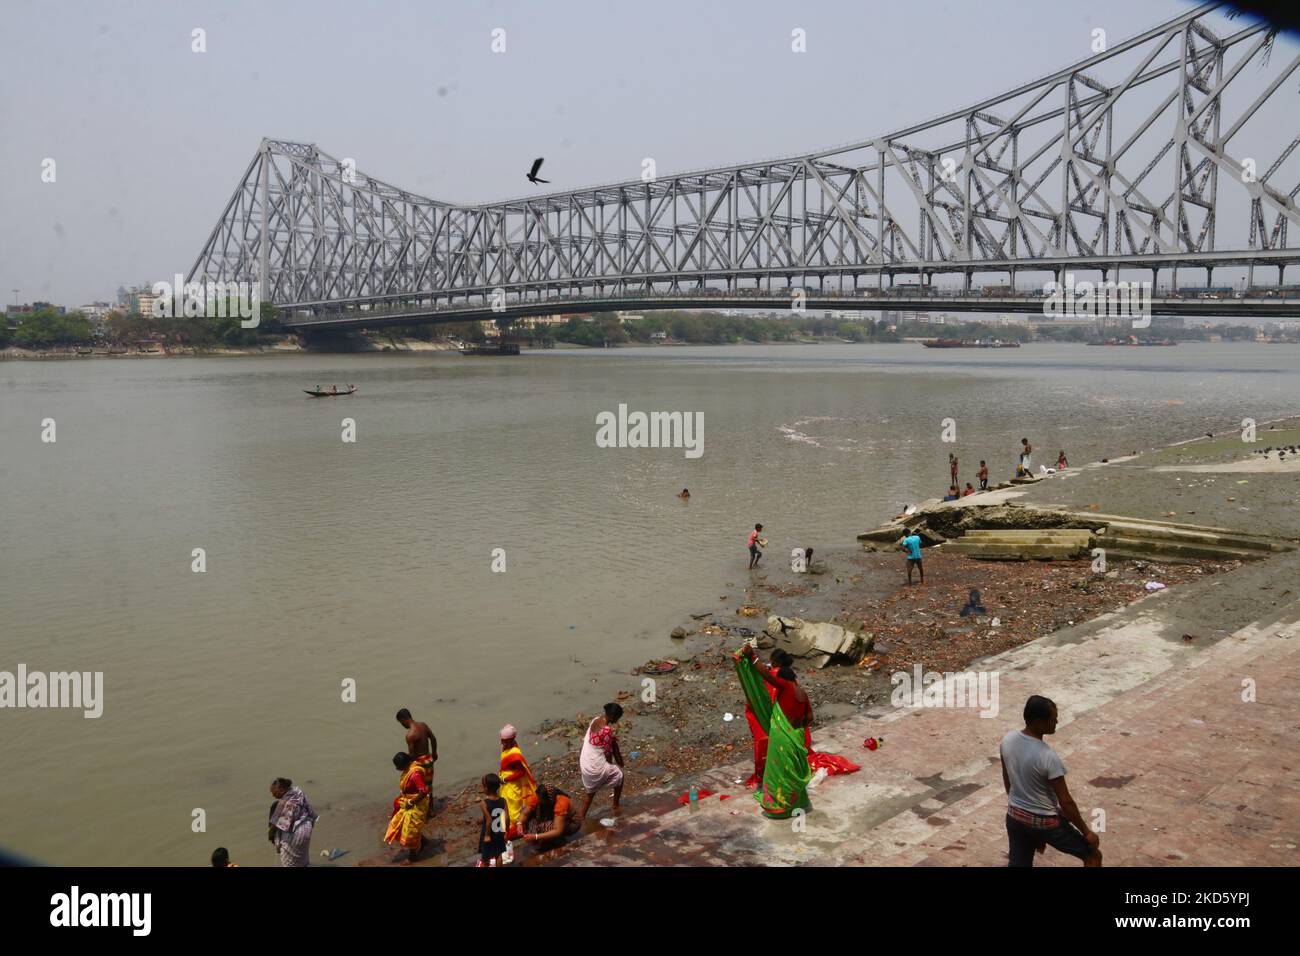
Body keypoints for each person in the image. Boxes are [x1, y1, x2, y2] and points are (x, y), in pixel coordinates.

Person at [1000, 695, 1102, 868]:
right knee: (1092, 856)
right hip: (1045, 823)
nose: (1056, 722)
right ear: (1039, 722)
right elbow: (1066, 802)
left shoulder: (1007, 740)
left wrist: (1019, 806)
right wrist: (1086, 831)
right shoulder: (1047, 757)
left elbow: (1007, 781)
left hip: (1015, 816)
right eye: (1052, 719)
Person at [735, 644, 812, 819]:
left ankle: (780, 807)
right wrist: (794, 727)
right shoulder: (803, 693)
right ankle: (797, 803)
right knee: (791, 771)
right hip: (796, 736)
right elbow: (810, 718)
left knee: (779, 773)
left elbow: (768, 676)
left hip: (782, 738)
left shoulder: (785, 688)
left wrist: (753, 656)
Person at [578, 703, 625, 819]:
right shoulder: (607, 730)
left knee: (590, 793)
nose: (618, 721)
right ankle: (615, 805)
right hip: (594, 768)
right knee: (619, 775)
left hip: (585, 763)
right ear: (613, 717)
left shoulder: (595, 720)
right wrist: (610, 764)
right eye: (618, 718)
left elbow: (595, 739)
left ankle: (581, 817)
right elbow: (608, 753)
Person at [385, 752, 432, 863]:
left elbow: (424, 792)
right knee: (400, 824)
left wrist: (411, 802)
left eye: (398, 766)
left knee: (410, 830)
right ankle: (423, 842)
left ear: (405, 764)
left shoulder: (415, 774)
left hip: (416, 803)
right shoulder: (409, 769)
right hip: (407, 801)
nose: (397, 769)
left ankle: (413, 856)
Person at [268, 778, 318, 867]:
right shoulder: (297, 792)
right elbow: (309, 810)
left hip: (296, 835)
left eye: (274, 793)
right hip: (306, 827)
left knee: (290, 863)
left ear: (281, 790)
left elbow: (278, 825)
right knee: (303, 860)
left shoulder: (284, 803)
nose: (273, 796)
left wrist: (271, 835)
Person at [498, 725, 537, 838]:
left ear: (512, 740)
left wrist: (505, 779)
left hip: (512, 785)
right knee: (507, 806)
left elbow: (521, 772)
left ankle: (517, 827)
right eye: (502, 741)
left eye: (506, 741)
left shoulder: (515, 753)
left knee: (514, 807)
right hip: (506, 784)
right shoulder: (507, 747)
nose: (504, 743)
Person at [517, 782, 580, 849]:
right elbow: (524, 813)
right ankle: (546, 839)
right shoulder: (538, 796)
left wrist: (536, 836)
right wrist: (519, 823)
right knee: (527, 818)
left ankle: (558, 841)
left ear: (548, 800)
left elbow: (557, 830)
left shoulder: (561, 802)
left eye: (542, 801)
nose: (539, 801)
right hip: (553, 818)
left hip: (570, 823)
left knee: (546, 826)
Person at [396, 708, 438, 789]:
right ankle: (430, 801)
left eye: (401, 722)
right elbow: (433, 738)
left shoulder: (410, 735)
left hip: (420, 762)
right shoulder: (423, 725)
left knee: (420, 787)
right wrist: (434, 753)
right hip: (428, 759)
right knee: (429, 785)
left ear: (403, 719)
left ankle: (423, 801)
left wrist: (403, 764)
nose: (402, 725)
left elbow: (412, 755)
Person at [477, 773, 509, 867]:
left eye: (483, 787)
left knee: (485, 857)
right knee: (499, 855)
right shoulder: (503, 800)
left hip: (489, 833)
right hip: (499, 831)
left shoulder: (484, 803)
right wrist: (506, 831)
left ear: (486, 788)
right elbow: (506, 817)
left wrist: (487, 835)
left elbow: (489, 820)